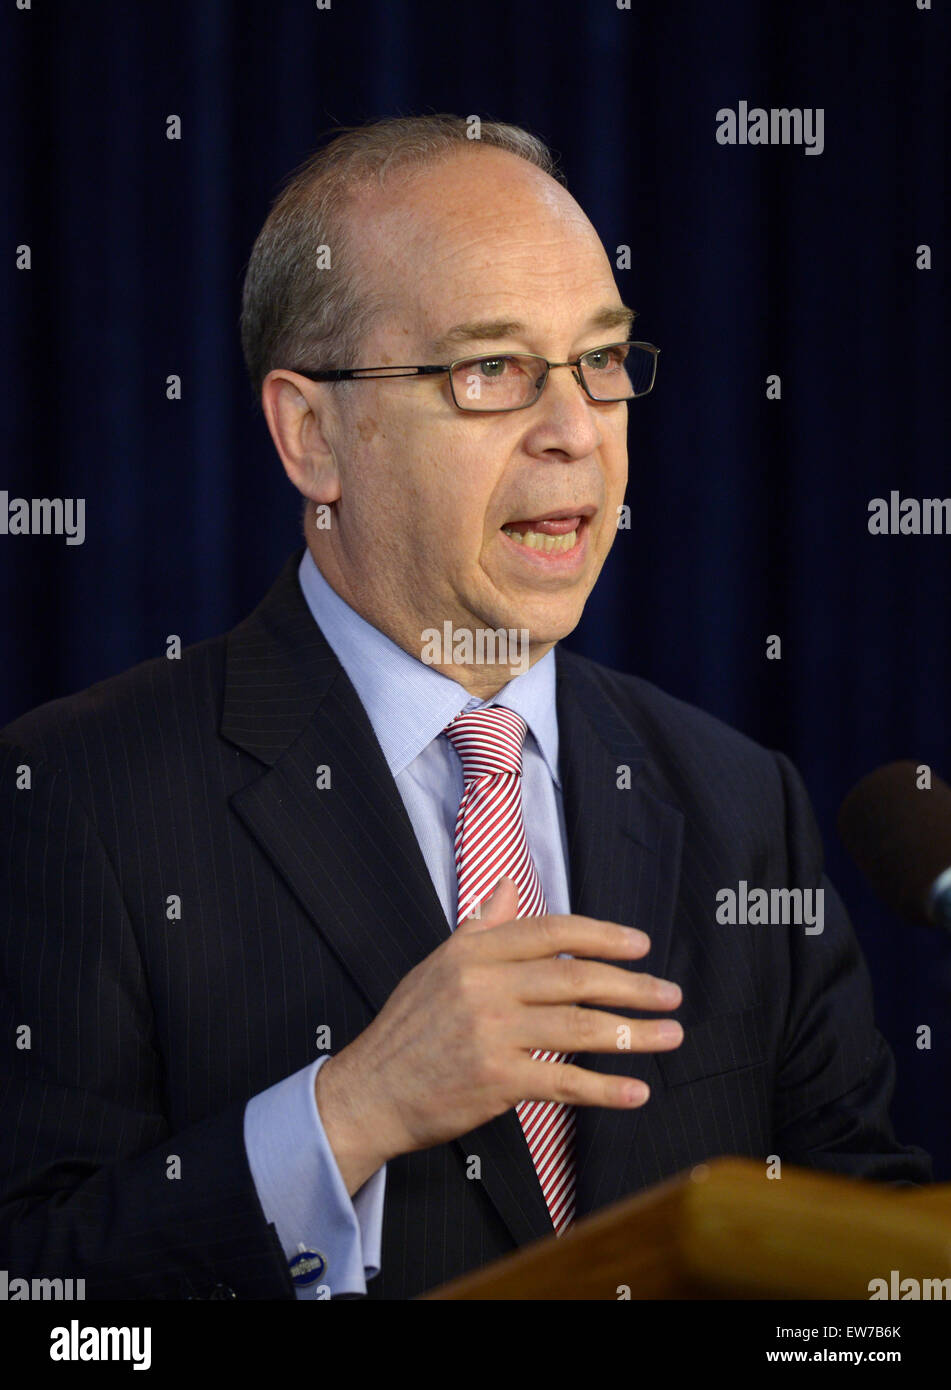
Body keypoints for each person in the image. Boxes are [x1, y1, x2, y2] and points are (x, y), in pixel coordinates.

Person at [0, 115, 931, 1302]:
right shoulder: (76, 801)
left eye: (601, 361)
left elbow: (866, 1258)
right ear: (312, 433)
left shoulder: (744, 803)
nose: (574, 433)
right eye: (490, 370)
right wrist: (349, 1113)